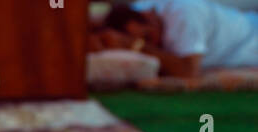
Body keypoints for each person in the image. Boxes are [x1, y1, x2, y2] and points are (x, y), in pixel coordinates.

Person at [98, 1, 258, 77]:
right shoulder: (139, 9)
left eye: (147, 37)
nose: (153, 45)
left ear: (149, 16)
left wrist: (136, 46)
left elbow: (188, 72)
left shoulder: (183, 14)